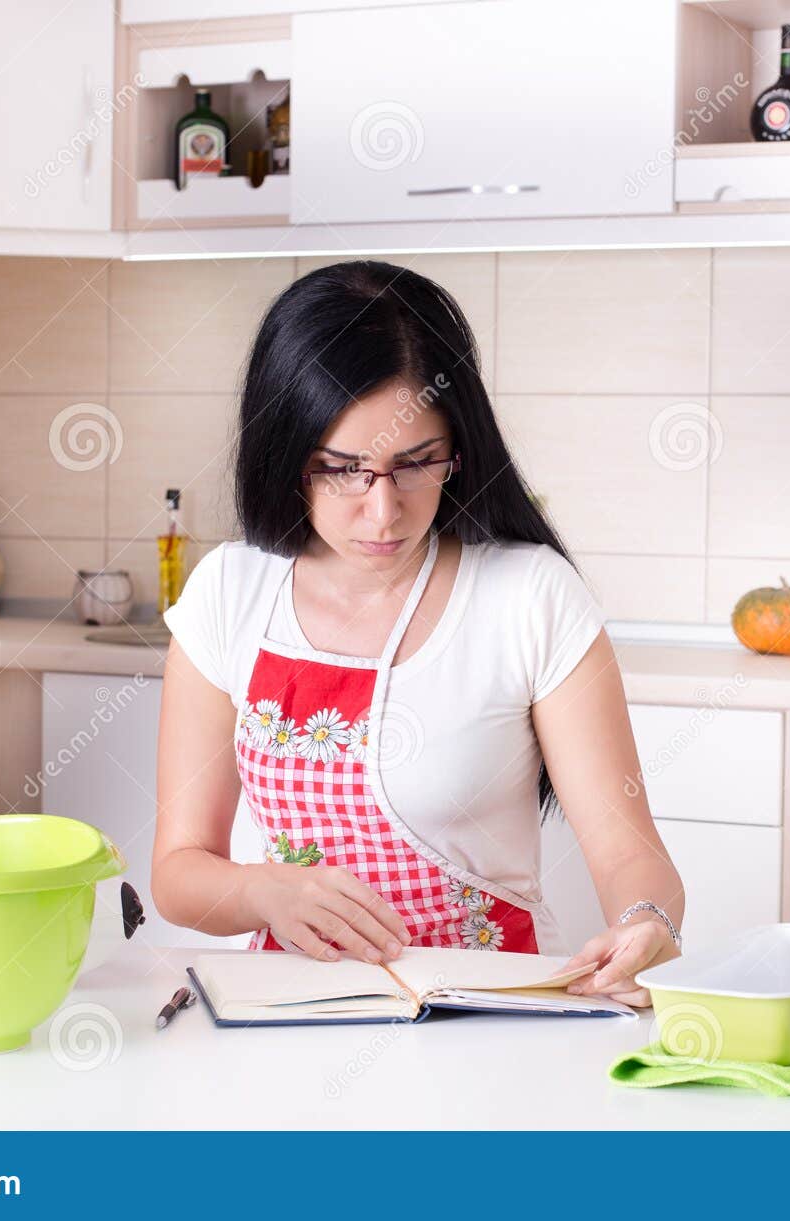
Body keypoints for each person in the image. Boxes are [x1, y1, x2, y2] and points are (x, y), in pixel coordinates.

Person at [152, 260, 683, 1007]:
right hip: (289, 1011)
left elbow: (630, 851)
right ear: (285, 456)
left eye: (415, 464)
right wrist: (262, 890)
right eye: (340, 469)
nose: (383, 510)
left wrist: (647, 923)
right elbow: (178, 872)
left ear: (458, 449)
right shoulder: (229, 593)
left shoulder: (529, 597)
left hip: (492, 1013)